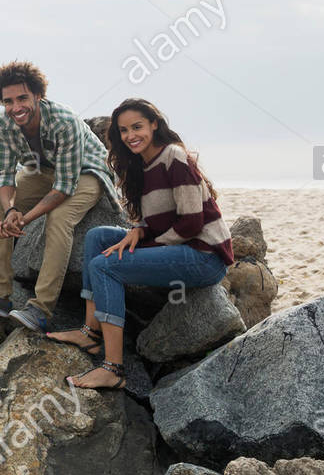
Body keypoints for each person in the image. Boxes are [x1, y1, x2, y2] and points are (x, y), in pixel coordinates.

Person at [47, 98, 234, 389]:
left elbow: (191, 224)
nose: (131, 135)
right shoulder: (139, 166)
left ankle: (112, 369)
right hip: (176, 247)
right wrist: (138, 229)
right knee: (98, 237)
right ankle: (90, 332)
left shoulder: (174, 156)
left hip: (203, 256)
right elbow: (152, 218)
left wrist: (144, 236)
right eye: (123, 131)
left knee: (105, 267)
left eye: (137, 127)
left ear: (154, 124)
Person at [0, 61, 119, 331]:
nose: (16, 107)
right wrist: (10, 211)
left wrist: (24, 219)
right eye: (8, 101)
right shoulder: (3, 124)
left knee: (60, 217)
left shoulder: (65, 121)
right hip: (44, 171)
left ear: (38, 95)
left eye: (22, 98)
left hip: (88, 172)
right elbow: (4, 175)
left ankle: (42, 308)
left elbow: (65, 185)